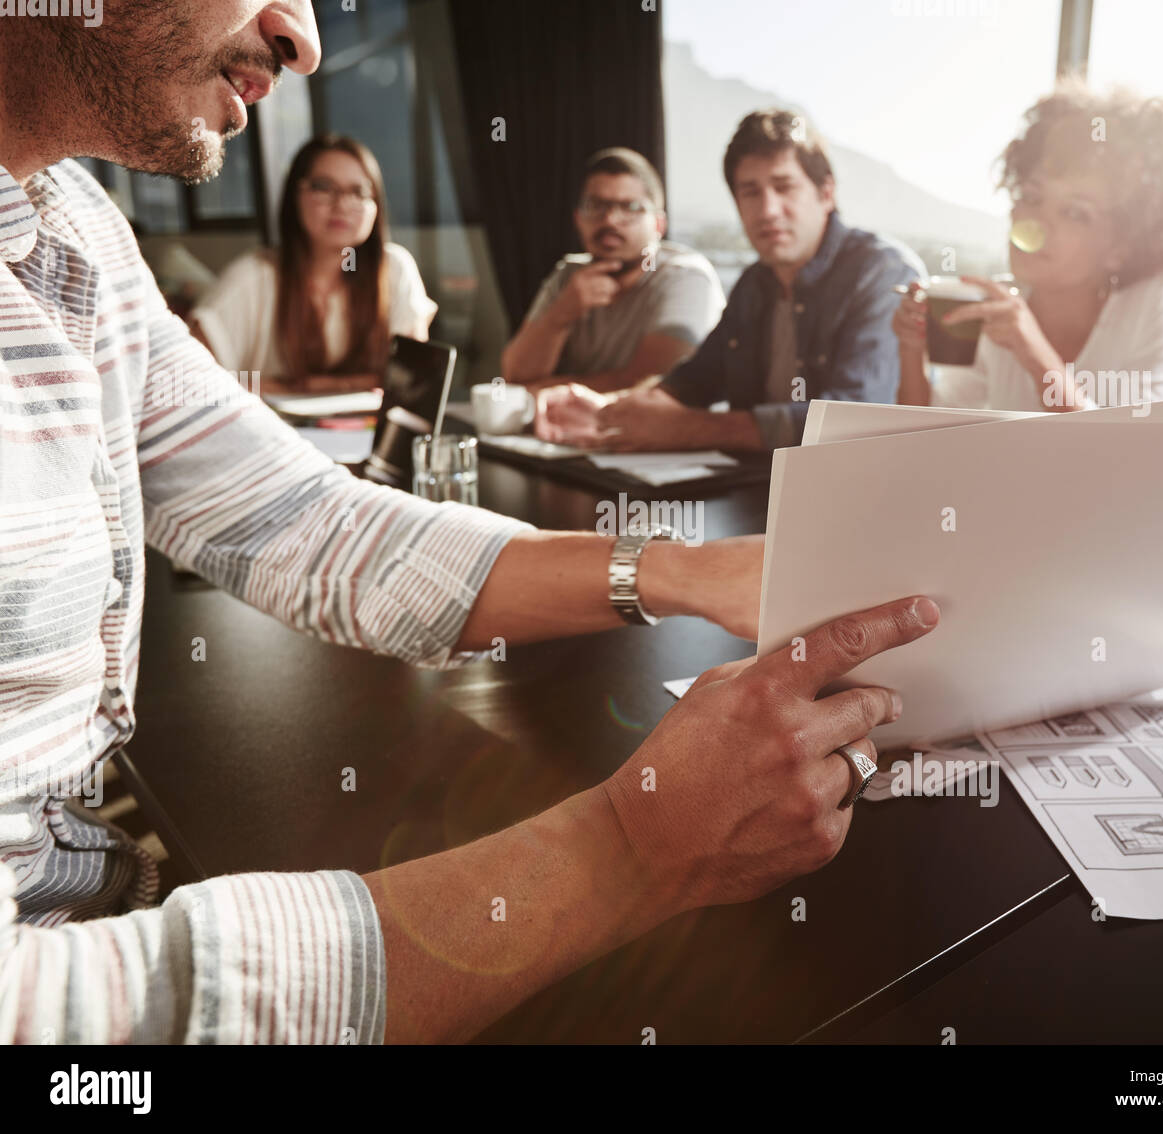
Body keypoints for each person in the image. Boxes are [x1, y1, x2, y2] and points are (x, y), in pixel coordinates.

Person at [0, 1, 938, 1044]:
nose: (304, 40)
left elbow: (303, 518)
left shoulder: (77, 232)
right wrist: (629, 851)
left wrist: (680, 570)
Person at [535, 109, 925, 452]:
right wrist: (607, 409)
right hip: (758, 492)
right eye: (750, 192)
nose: (768, 209)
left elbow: (853, 419)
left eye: (784, 186)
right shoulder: (755, 282)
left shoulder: (883, 273)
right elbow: (692, 383)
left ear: (826, 194)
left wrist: (687, 430)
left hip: (850, 498)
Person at [894, 83, 1163, 412]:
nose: (1038, 224)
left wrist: (1033, 352)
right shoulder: (1001, 308)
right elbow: (932, 434)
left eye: (1076, 213)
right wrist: (911, 349)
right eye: (1032, 198)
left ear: (1122, 245)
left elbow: (1137, 448)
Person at [189, 134, 437, 395]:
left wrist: (309, 386)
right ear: (294, 195)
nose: (342, 204)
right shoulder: (253, 277)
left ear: (376, 206)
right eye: (323, 187)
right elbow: (188, 382)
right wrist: (357, 383)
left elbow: (412, 382)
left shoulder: (394, 268)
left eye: (359, 192)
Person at [500, 147, 724, 394]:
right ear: (578, 219)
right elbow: (514, 375)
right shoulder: (568, 274)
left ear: (658, 225)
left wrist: (539, 391)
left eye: (630, 207)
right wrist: (561, 314)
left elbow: (651, 385)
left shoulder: (686, 276)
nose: (609, 220)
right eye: (596, 206)